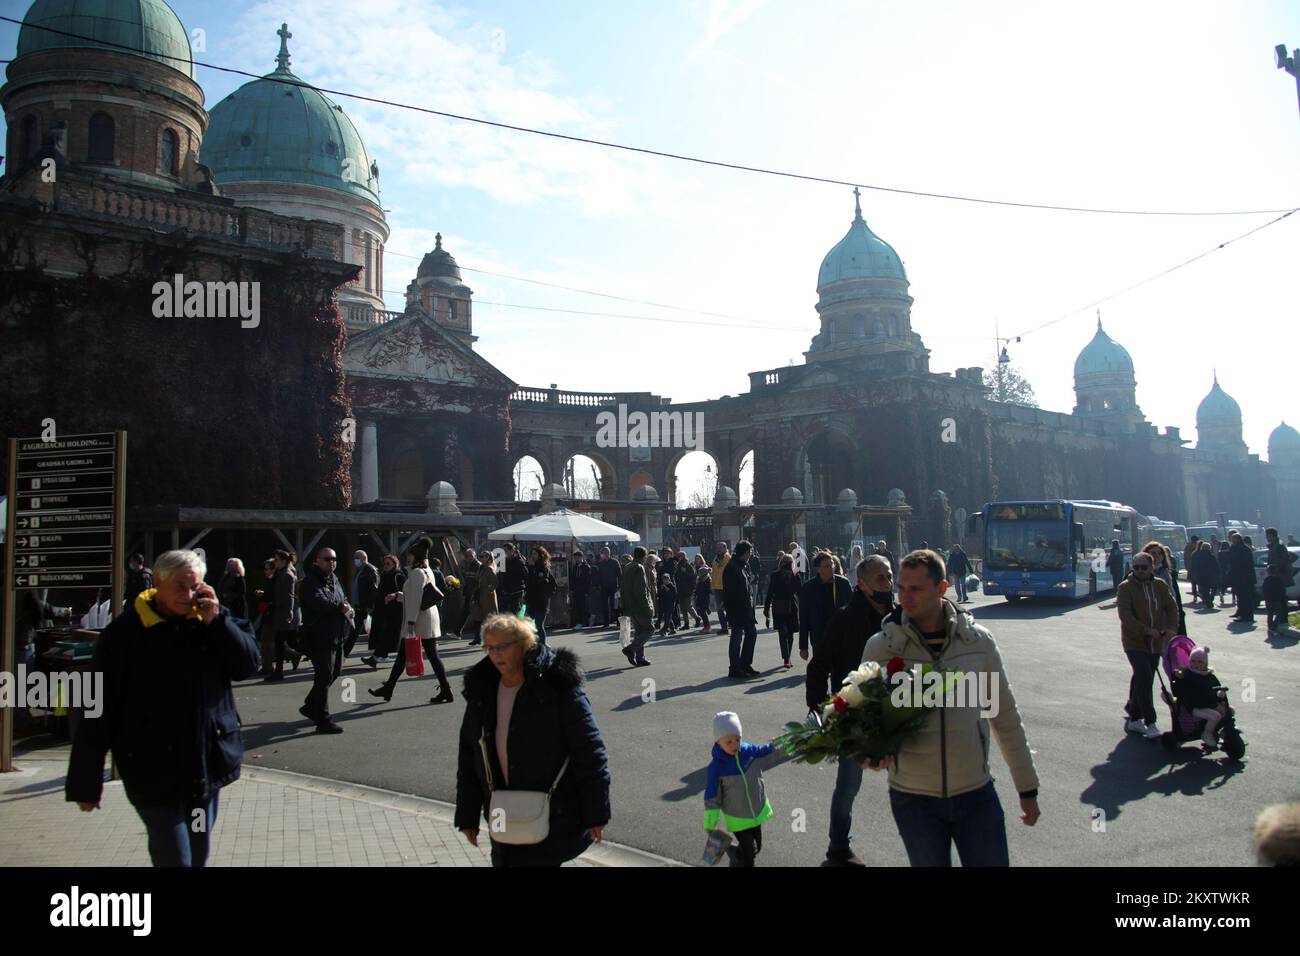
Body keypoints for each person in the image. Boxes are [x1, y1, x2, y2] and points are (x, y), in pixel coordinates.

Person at [66, 549, 260, 866]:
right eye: (180, 587)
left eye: (194, 586)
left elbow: (247, 665)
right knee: (175, 857)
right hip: (151, 771)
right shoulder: (124, 635)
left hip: (204, 768)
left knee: (198, 855)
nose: (188, 595)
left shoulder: (213, 621)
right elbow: (95, 708)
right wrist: (86, 782)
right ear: (158, 583)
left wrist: (218, 623)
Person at [859, 550, 1039, 867]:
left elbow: (1004, 717)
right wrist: (870, 750)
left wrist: (1027, 787)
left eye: (915, 589)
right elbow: (863, 715)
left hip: (975, 792)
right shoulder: (882, 647)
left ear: (942, 589)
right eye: (901, 588)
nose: (905, 597)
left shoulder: (977, 643)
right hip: (913, 798)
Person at [455, 614, 610, 867]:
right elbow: (470, 757)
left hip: (550, 812)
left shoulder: (556, 684)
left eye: (502, 647)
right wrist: (467, 816)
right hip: (502, 812)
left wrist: (596, 811)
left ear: (524, 643)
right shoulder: (482, 690)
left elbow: (590, 750)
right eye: (489, 648)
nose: (495, 655)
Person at [814, 555, 895, 866]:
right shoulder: (845, 618)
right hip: (855, 714)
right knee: (848, 785)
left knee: (912, 783)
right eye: (880, 579)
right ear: (862, 584)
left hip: (896, 715)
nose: (887, 584)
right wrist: (820, 707)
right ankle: (838, 848)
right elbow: (820, 664)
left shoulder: (901, 618)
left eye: (890, 577)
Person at [371, 538, 453, 704]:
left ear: (415, 557)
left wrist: (410, 622)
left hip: (419, 620)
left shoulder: (416, 573)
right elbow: (417, 596)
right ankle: (444, 690)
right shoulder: (427, 570)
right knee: (422, 655)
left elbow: (415, 600)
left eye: (410, 555)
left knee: (411, 654)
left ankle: (389, 688)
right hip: (427, 618)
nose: (407, 558)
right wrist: (397, 596)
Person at [703, 711, 781, 867]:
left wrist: (788, 743)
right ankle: (741, 858)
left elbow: (767, 751)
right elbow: (712, 796)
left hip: (757, 812)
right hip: (737, 817)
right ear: (718, 742)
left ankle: (735, 855)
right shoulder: (717, 767)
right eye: (729, 742)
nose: (734, 745)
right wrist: (710, 822)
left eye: (737, 739)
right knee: (749, 853)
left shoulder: (748, 752)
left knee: (756, 847)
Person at [1117, 551, 1179, 738]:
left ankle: (1135, 718)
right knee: (1144, 676)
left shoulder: (1160, 585)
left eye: (1143, 567)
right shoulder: (1125, 587)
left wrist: (1170, 628)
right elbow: (1126, 616)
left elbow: (1172, 607)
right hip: (1134, 641)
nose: (1140, 571)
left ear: (1152, 567)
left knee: (1145, 678)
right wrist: (1145, 630)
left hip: (1156, 641)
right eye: (1136, 568)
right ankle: (1150, 722)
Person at [298, 547, 354, 734]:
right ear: (317, 561)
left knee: (334, 672)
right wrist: (340, 607)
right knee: (323, 676)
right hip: (319, 635)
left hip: (336, 634)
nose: (332, 562)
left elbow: (341, 598)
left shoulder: (334, 579)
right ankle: (323, 719)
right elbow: (318, 602)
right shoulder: (310, 581)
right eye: (327, 559)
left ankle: (310, 705)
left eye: (334, 559)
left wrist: (347, 607)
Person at [798, 552, 852, 675]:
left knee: (840, 671)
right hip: (819, 636)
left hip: (841, 634)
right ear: (818, 569)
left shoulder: (843, 583)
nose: (831, 568)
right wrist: (803, 646)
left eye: (832, 564)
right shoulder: (808, 588)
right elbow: (804, 618)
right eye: (826, 566)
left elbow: (853, 608)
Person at [1171, 646, 1223, 748]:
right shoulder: (1187, 674)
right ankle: (1207, 733)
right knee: (1215, 716)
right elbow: (1178, 688)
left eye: (1199, 662)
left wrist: (1220, 696)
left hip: (1209, 704)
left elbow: (1217, 687)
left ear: (1205, 664)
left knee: (1229, 711)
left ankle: (1225, 732)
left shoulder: (1209, 676)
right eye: (1193, 661)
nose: (1196, 664)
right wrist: (1177, 676)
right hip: (1195, 707)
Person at [723, 541, 759, 679]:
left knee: (752, 634)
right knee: (736, 638)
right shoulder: (732, 567)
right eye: (749, 552)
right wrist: (730, 610)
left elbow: (747, 588)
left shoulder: (744, 566)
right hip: (737, 609)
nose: (750, 554)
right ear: (744, 553)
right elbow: (729, 592)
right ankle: (734, 667)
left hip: (746, 609)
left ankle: (745, 664)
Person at [361, 554, 404, 669]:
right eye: (384, 563)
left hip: (394, 612)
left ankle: (375, 658)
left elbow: (405, 594)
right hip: (382, 611)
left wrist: (394, 596)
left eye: (388, 564)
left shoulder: (398, 576)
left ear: (394, 564)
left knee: (387, 635)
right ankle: (381, 656)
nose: (385, 566)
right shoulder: (384, 575)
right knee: (382, 634)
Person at [763, 554, 801, 668]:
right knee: (782, 632)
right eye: (787, 562)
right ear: (782, 563)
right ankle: (786, 658)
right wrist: (766, 608)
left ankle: (788, 656)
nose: (789, 564)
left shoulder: (795, 574)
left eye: (791, 562)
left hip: (792, 606)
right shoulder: (775, 575)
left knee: (790, 633)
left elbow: (800, 591)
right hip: (779, 606)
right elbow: (770, 592)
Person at [269, 549, 302, 680]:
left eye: (276, 559)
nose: (274, 562)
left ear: (283, 561)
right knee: (290, 642)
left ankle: (279, 671)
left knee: (283, 642)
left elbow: (290, 595)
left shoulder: (287, 575)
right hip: (283, 612)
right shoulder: (281, 573)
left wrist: (289, 612)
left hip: (286, 614)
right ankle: (281, 668)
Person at [620, 547, 655, 667]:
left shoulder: (627, 567)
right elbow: (641, 591)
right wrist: (647, 607)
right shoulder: (639, 568)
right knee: (650, 629)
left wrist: (624, 605)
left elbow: (623, 588)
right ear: (644, 557)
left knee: (639, 631)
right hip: (639, 606)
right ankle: (632, 649)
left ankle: (640, 658)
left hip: (630, 606)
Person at [1143, 541, 1185, 634]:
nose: (1157, 555)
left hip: (1166, 620)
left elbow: (1175, 598)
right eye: (1153, 553)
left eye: (1160, 553)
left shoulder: (1168, 573)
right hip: (1146, 620)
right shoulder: (1139, 572)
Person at [347, 549, 379, 659]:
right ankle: (378, 654)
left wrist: (370, 605)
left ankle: (343, 654)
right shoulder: (360, 570)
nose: (355, 560)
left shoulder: (370, 570)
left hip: (365, 607)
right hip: (359, 606)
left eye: (357, 558)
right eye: (354, 558)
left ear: (364, 558)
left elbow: (374, 589)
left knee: (355, 631)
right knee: (357, 630)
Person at [524, 546, 558, 645]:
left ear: (540, 555)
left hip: (541, 601)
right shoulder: (530, 567)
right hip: (531, 600)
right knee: (529, 625)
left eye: (535, 554)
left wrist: (546, 595)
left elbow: (547, 584)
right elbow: (528, 582)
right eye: (532, 554)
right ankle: (535, 643)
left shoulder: (544, 568)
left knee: (539, 624)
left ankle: (542, 644)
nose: (533, 556)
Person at [464, 549, 499, 645]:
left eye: (484, 556)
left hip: (488, 597)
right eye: (481, 556)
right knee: (477, 617)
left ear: (488, 558)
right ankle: (477, 638)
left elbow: (494, 582)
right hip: (479, 594)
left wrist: (489, 590)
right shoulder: (481, 567)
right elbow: (477, 580)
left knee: (490, 618)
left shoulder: (490, 568)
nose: (481, 558)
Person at [1227, 533, 1256, 624]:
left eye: (1233, 539)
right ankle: (1242, 613)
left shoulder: (1244, 549)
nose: (1232, 541)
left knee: (1246, 597)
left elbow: (1243, 564)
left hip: (1244, 577)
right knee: (1240, 597)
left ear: (1238, 539)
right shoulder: (1234, 548)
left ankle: (1247, 616)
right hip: (1237, 577)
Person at [1192, 540, 1221, 611]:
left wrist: (1196, 575)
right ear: (1209, 548)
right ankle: (1211, 598)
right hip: (1211, 576)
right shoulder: (1211, 556)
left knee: (1205, 590)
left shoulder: (1198, 556)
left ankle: (1208, 602)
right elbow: (1216, 566)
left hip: (1201, 576)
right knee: (1214, 588)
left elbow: (1195, 566)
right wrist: (1218, 574)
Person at [499, 543, 527, 615]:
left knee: (514, 614)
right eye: (503, 550)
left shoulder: (519, 561)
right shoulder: (503, 561)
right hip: (506, 592)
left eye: (506, 550)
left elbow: (525, 574)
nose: (504, 552)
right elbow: (500, 576)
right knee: (504, 614)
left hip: (516, 592)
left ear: (512, 551)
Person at [596, 547, 621, 628]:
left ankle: (618, 621)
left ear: (609, 553)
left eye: (606, 552)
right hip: (604, 587)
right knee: (604, 605)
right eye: (603, 552)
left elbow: (619, 575)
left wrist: (619, 586)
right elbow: (598, 575)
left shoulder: (614, 562)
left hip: (614, 587)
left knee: (615, 605)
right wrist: (598, 585)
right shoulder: (600, 563)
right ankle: (606, 623)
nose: (605, 554)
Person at [675, 551, 699, 630]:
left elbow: (693, 576)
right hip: (680, 589)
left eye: (680, 556)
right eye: (678, 556)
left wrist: (685, 572)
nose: (679, 558)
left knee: (688, 606)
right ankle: (686, 623)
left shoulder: (688, 565)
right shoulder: (678, 565)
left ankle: (697, 618)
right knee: (682, 607)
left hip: (687, 589)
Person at [1263, 562, 1289, 635]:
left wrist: (1265, 597)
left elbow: (1264, 589)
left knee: (1270, 614)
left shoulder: (1267, 580)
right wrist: (1282, 597)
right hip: (1276, 599)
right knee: (1279, 613)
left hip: (1268, 600)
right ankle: (1274, 626)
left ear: (1268, 572)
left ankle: (1270, 627)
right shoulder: (1278, 580)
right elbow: (1282, 590)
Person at [711, 542, 731, 633]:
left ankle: (731, 624)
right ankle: (724, 627)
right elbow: (713, 573)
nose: (718, 549)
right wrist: (712, 585)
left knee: (728, 607)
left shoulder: (728, 558)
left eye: (720, 547)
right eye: (717, 547)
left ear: (725, 548)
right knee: (719, 609)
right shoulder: (715, 559)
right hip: (717, 587)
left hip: (726, 587)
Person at [570, 551, 592, 630]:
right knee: (577, 606)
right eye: (574, 558)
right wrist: (572, 589)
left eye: (577, 558)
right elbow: (573, 579)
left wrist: (587, 591)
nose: (575, 559)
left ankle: (581, 622)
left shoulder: (586, 567)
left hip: (583, 590)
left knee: (583, 607)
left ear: (581, 557)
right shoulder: (575, 567)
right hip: (576, 590)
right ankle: (579, 622)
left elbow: (588, 580)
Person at [694, 557, 713, 633]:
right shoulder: (700, 580)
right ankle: (706, 626)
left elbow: (709, 590)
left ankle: (707, 626)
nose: (698, 574)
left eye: (699, 573)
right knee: (701, 612)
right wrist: (695, 594)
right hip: (700, 598)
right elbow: (697, 589)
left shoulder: (707, 580)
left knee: (703, 612)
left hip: (704, 598)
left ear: (703, 573)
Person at [1184, 536, 1201, 603]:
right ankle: (1200, 594)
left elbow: (1185, 557)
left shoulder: (1188, 547)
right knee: (1199, 582)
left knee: (1193, 583)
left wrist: (1187, 567)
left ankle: (1195, 596)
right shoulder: (1198, 546)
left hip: (1191, 567)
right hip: (1197, 568)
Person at [1216, 540, 1233, 609]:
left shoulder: (1220, 553)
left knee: (1223, 585)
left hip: (1222, 570)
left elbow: (1218, 561)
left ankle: (1222, 594)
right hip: (1229, 569)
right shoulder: (1230, 552)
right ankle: (1234, 597)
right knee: (1232, 584)